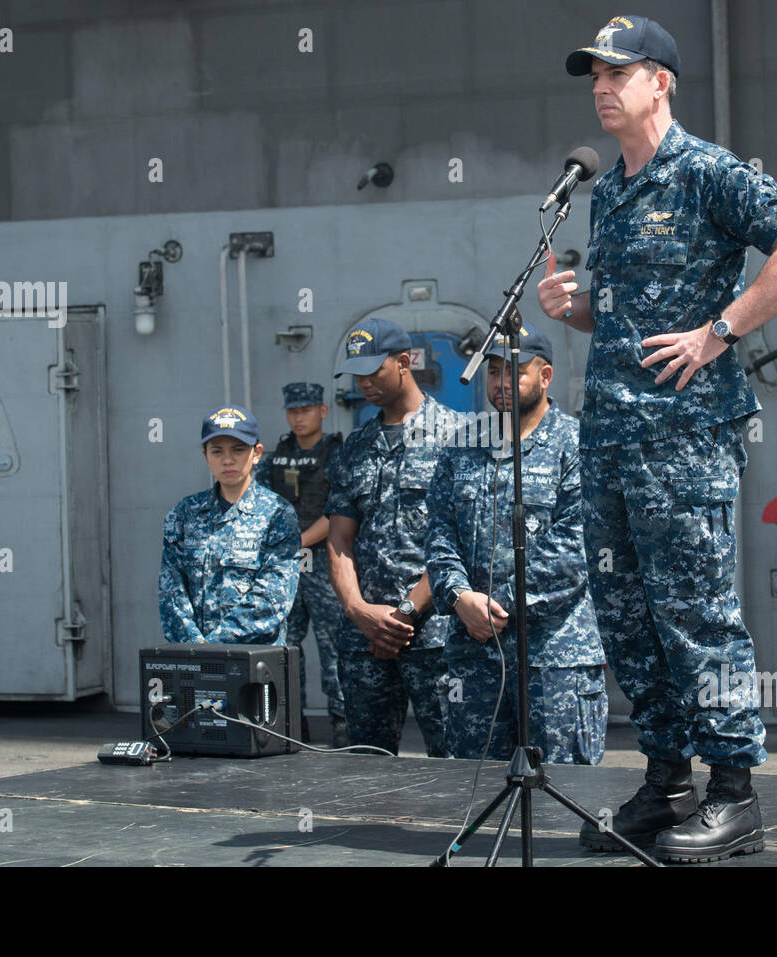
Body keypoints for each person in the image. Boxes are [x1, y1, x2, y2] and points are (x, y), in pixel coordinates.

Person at [537, 15, 777, 862]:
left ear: (660, 81)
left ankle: (734, 793)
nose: (601, 86)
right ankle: (665, 779)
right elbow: (627, 318)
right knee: (629, 618)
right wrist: (575, 311)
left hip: (686, 441)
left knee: (699, 615)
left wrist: (719, 332)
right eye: (593, 74)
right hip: (613, 440)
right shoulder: (611, 188)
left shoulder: (705, 171)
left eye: (617, 73)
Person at [425, 321, 607, 764]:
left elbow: (574, 548)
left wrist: (496, 606)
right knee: (476, 784)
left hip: (554, 659)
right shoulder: (462, 445)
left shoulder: (577, 444)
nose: (501, 383)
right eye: (493, 372)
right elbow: (438, 533)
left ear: (544, 376)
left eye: (514, 371)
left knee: (563, 795)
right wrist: (459, 597)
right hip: (475, 656)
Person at [324, 318, 458, 756]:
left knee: (455, 763)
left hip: (436, 635)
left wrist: (402, 614)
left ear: (404, 362)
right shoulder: (355, 447)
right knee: (366, 765)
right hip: (364, 637)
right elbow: (339, 540)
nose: (363, 382)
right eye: (356, 374)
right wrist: (357, 609)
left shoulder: (456, 437)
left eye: (372, 370)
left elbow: (463, 540)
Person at [159, 406, 301, 646]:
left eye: (238, 450)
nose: (227, 460)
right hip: (194, 657)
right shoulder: (185, 513)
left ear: (257, 453)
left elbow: (274, 598)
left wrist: (215, 645)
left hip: (255, 659)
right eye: (217, 451)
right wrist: (194, 644)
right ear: (205, 456)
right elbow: (172, 590)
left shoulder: (277, 513)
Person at [257, 382, 348, 748]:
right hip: (285, 571)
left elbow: (339, 511)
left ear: (322, 411)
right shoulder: (275, 459)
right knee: (285, 650)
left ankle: (343, 728)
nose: (298, 417)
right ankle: (290, 727)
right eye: (292, 411)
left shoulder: (339, 456)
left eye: (306, 409)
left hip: (326, 568)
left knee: (334, 650)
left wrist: (296, 541)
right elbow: (262, 508)